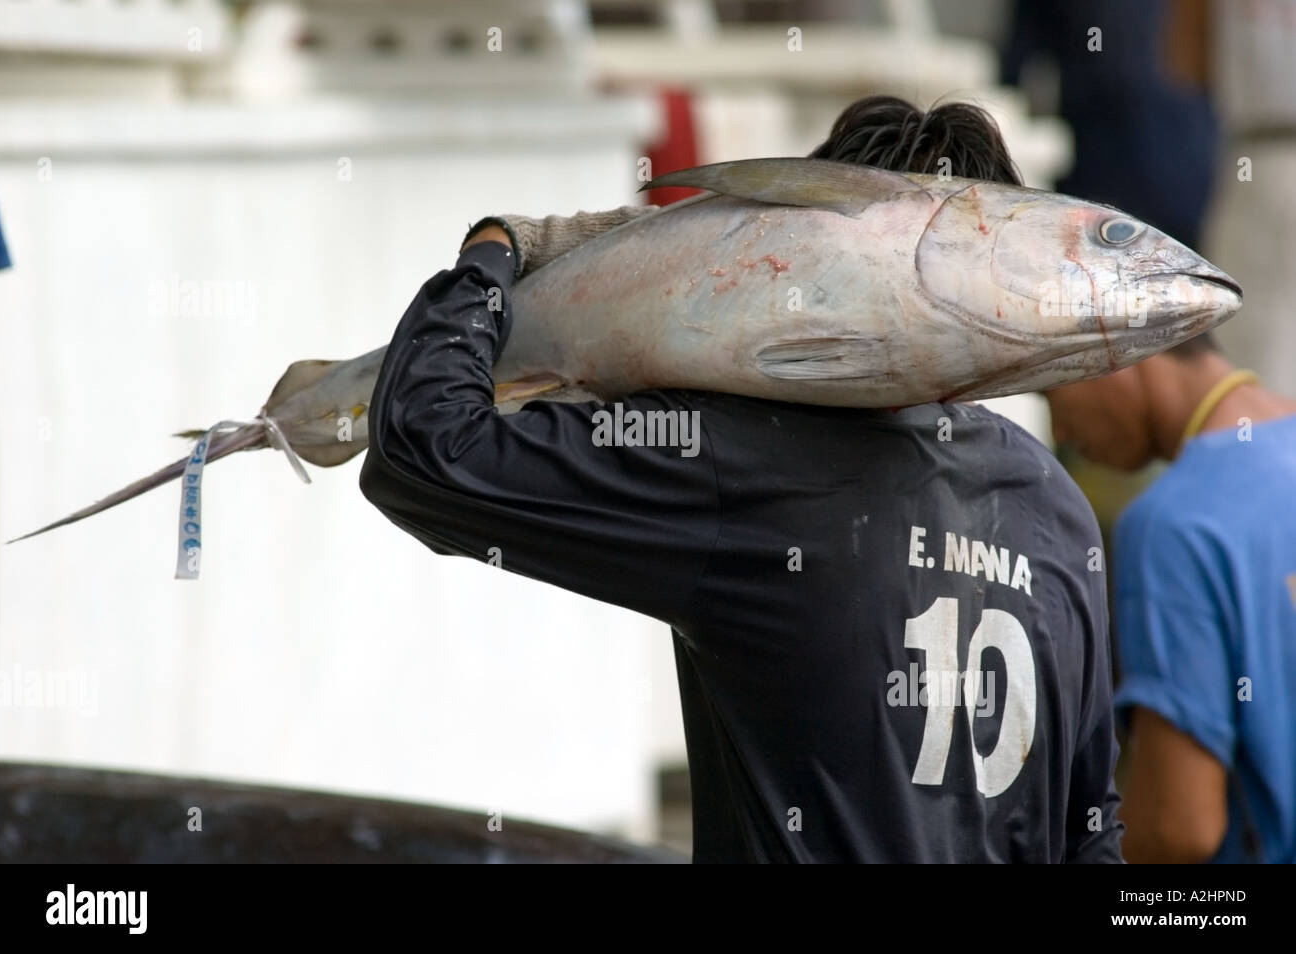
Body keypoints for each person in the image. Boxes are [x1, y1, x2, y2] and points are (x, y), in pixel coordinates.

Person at [360, 96, 1124, 863]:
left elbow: (422, 444)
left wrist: (495, 253)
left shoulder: (739, 461)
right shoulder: (1053, 505)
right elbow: (1092, 833)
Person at [1045, 335, 1296, 863]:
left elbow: (1177, 829)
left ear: (1114, 347)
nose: (1061, 432)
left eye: (1051, 392)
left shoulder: (1174, 521)